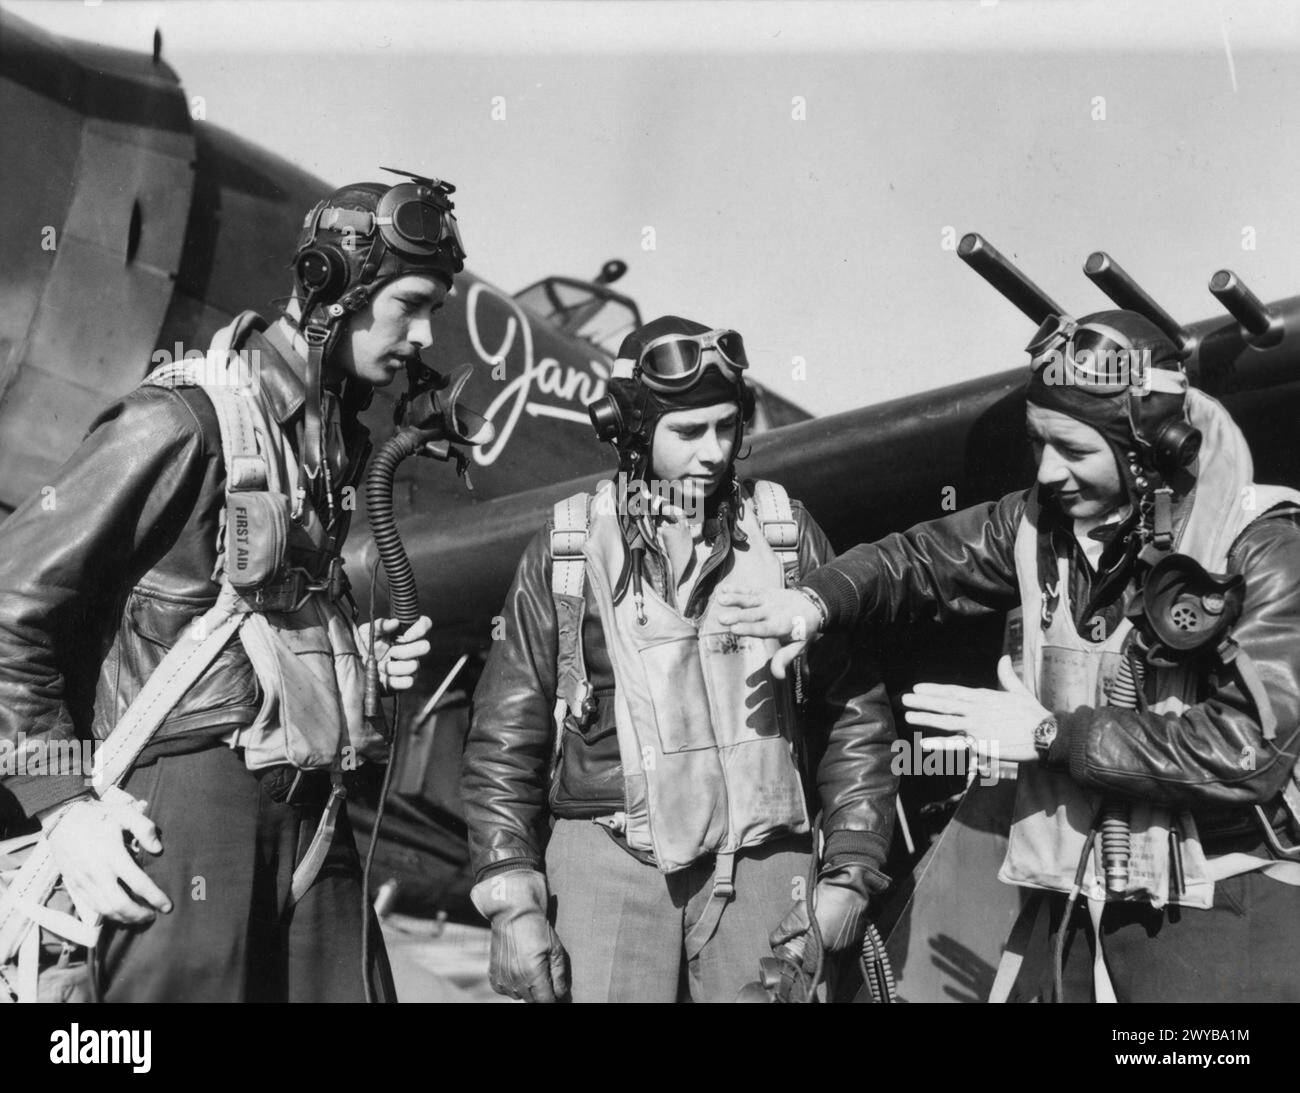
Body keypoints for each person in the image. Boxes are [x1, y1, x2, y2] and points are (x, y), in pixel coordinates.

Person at [719, 309, 1300, 1001]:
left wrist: (1051, 734)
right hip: (1082, 900)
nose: (1049, 473)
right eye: (1039, 444)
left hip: (1225, 899)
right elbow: (917, 560)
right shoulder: (1038, 525)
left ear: (1150, 449)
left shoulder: (1263, 544)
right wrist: (814, 601)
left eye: (1074, 450)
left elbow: (1250, 751)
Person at [0, 173, 467, 1001]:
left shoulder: (330, 444)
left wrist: (351, 655)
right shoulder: (185, 418)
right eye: (412, 304)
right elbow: (10, 607)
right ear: (333, 284)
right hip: (184, 805)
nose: (424, 336)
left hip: (311, 804)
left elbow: (242, 621)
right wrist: (61, 802)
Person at [461, 316, 897, 1003]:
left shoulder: (786, 534)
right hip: (609, 861)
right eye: (689, 432)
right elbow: (505, 735)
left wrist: (850, 869)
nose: (714, 453)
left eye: (726, 427)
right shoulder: (570, 547)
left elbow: (855, 712)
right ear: (635, 431)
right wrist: (512, 898)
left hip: (763, 864)